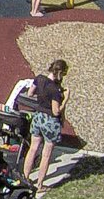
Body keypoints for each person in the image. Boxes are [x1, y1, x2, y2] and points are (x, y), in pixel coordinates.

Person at [22, 59, 70, 189]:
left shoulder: (40, 79)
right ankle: (40, 184)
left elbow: (30, 93)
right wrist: (65, 99)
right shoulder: (54, 90)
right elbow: (56, 111)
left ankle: (25, 177)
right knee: (46, 154)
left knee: (33, 148)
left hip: (38, 117)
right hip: (50, 121)